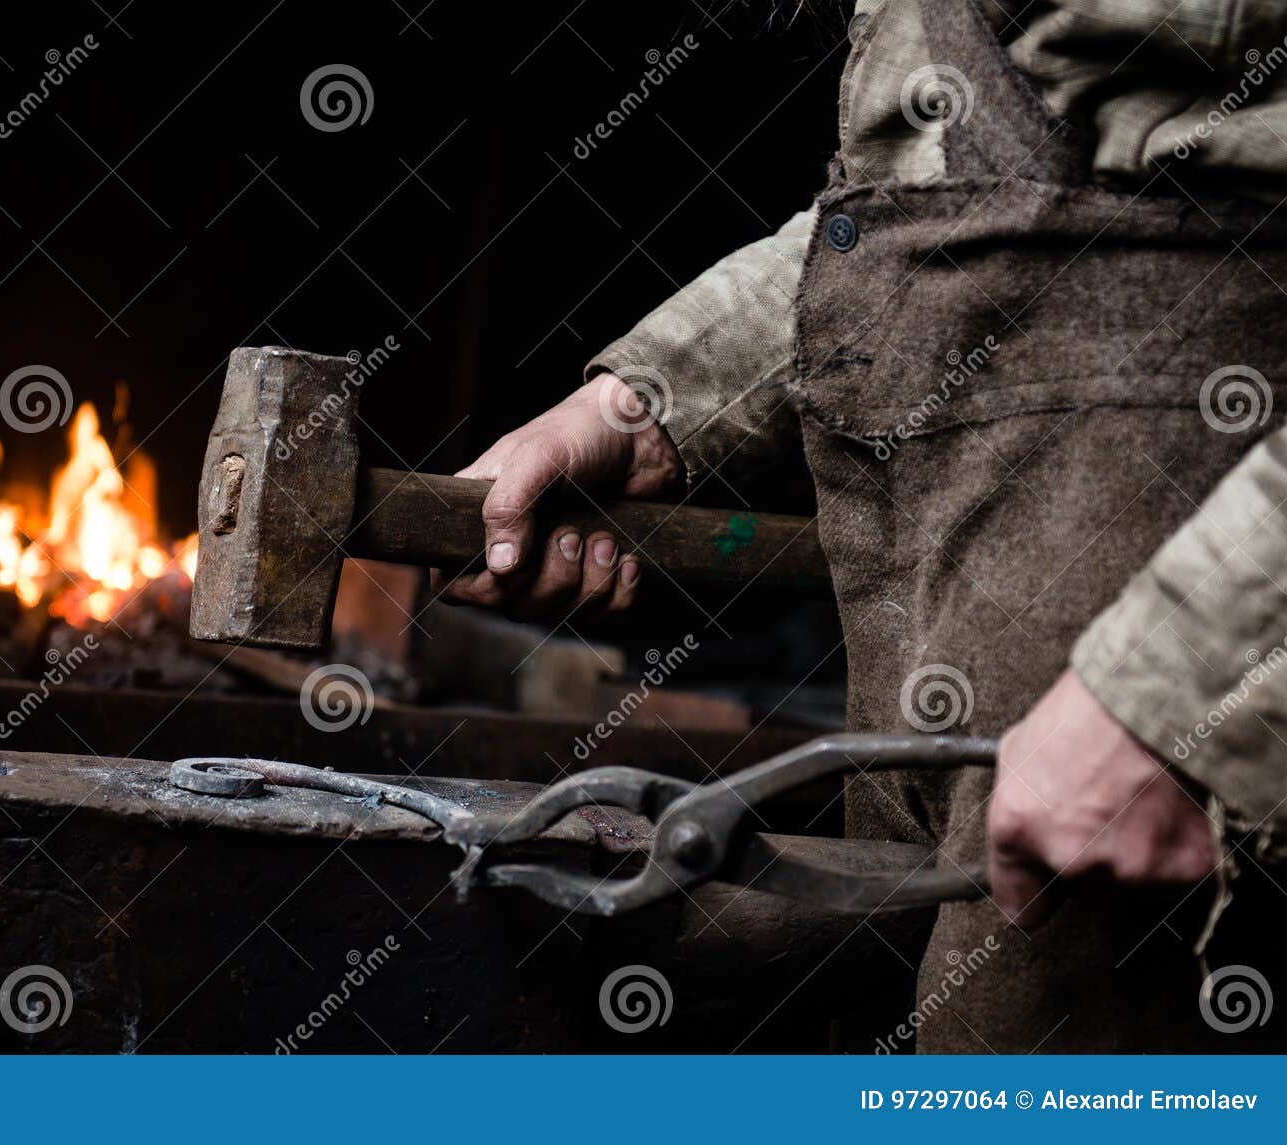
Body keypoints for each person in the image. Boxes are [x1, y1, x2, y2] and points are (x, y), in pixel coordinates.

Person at [435, 0, 1287, 1051]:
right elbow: (930, 214)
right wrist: (642, 407)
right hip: (954, 713)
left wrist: (1189, 676)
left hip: (1171, 695)